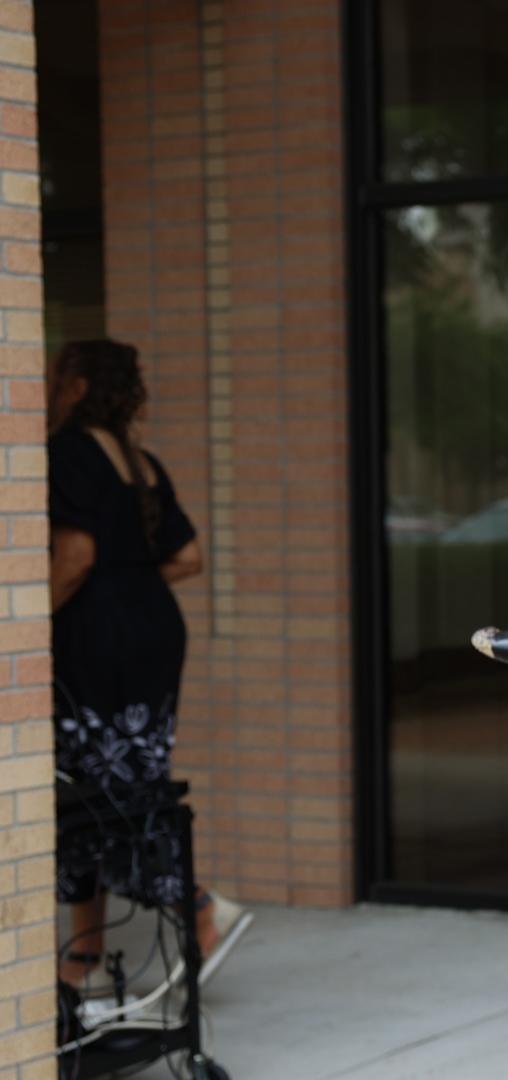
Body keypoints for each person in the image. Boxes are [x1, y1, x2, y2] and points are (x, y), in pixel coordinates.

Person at [48, 339, 251, 993]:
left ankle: (197, 909)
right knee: (118, 785)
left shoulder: (68, 453)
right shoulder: (142, 464)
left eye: (57, 376)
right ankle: (83, 959)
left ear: (78, 386)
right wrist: (131, 583)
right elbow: (187, 557)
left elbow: (75, 557)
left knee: (95, 793)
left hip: (94, 645)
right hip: (152, 637)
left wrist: (24, 627)